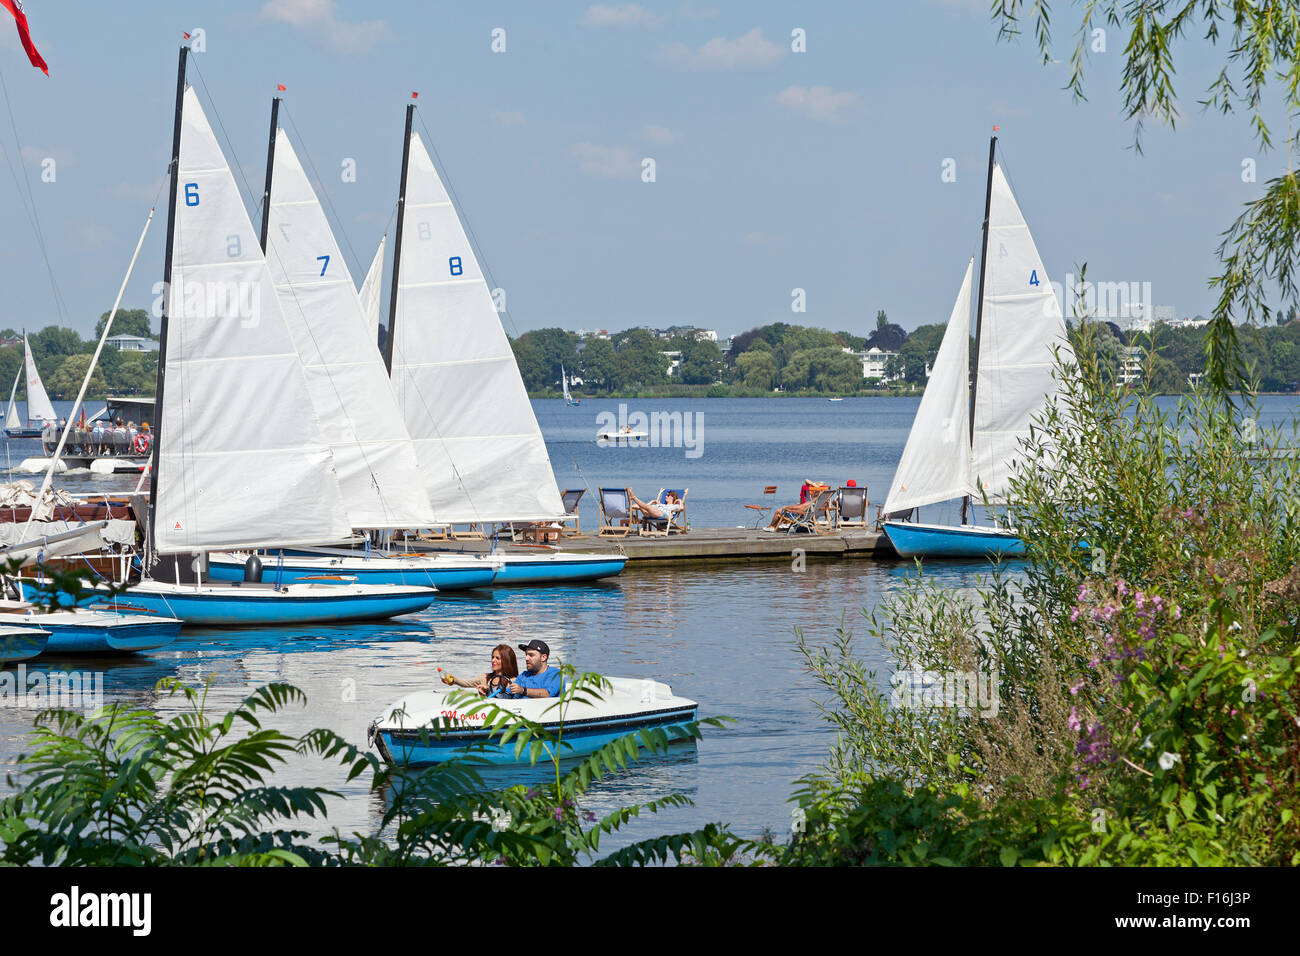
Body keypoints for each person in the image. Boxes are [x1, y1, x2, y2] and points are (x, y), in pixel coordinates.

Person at [443, 644, 519, 697]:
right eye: (492, 657)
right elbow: (466, 683)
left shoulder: (513, 681)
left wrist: (487, 692)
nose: (493, 660)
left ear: (506, 661)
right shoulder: (485, 678)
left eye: (497, 658)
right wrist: (454, 680)